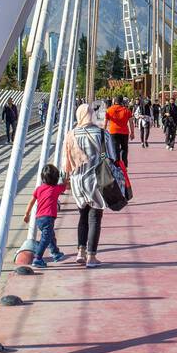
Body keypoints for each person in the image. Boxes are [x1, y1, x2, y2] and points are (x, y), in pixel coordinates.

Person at [62, 103, 107, 268]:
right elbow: (109, 155)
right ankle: (91, 256)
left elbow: (65, 160)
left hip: (77, 182)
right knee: (95, 218)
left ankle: (80, 252)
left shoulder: (71, 134)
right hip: (96, 180)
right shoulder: (101, 133)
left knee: (82, 216)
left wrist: (65, 178)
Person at [23, 163, 68, 267]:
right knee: (46, 238)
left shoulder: (39, 189)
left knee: (51, 236)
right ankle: (38, 258)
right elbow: (64, 186)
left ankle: (56, 253)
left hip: (39, 218)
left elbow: (31, 202)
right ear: (56, 178)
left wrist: (26, 214)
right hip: (48, 218)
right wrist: (65, 178)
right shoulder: (56, 189)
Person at [105, 94, 134, 165]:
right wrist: (132, 133)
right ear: (122, 101)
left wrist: (103, 132)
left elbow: (105, 123)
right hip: (124, 132)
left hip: (113, 132)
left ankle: (117, 164)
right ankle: (124, 164)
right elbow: (131, 123)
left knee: (115, 148)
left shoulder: (109, 110)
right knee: (124, 148)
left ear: (114, 101)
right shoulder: (127, 110)